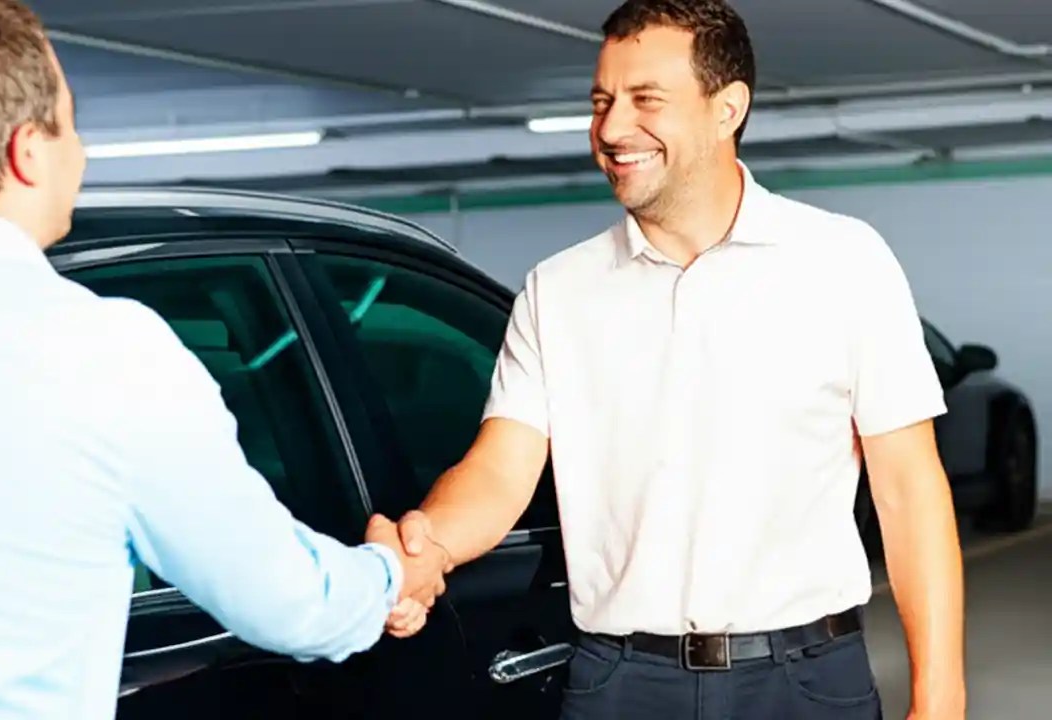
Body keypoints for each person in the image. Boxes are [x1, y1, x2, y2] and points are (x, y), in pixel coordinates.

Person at [0, 1, 445, 718]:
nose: (81, 153)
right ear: (27, 152)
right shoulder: (112, 356)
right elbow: (287, 602)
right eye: (71, 125)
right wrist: (390, 576)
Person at [380, 1, 966, 718]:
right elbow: (499, 471)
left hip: (804, 682)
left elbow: (909, 491)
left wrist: (941, 698)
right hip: (621, 683)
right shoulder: (558, 292)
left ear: (727, 109)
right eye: (602, 101)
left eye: (645, 99)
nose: (611, 128)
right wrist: (429, 546)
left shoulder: (843, 263)